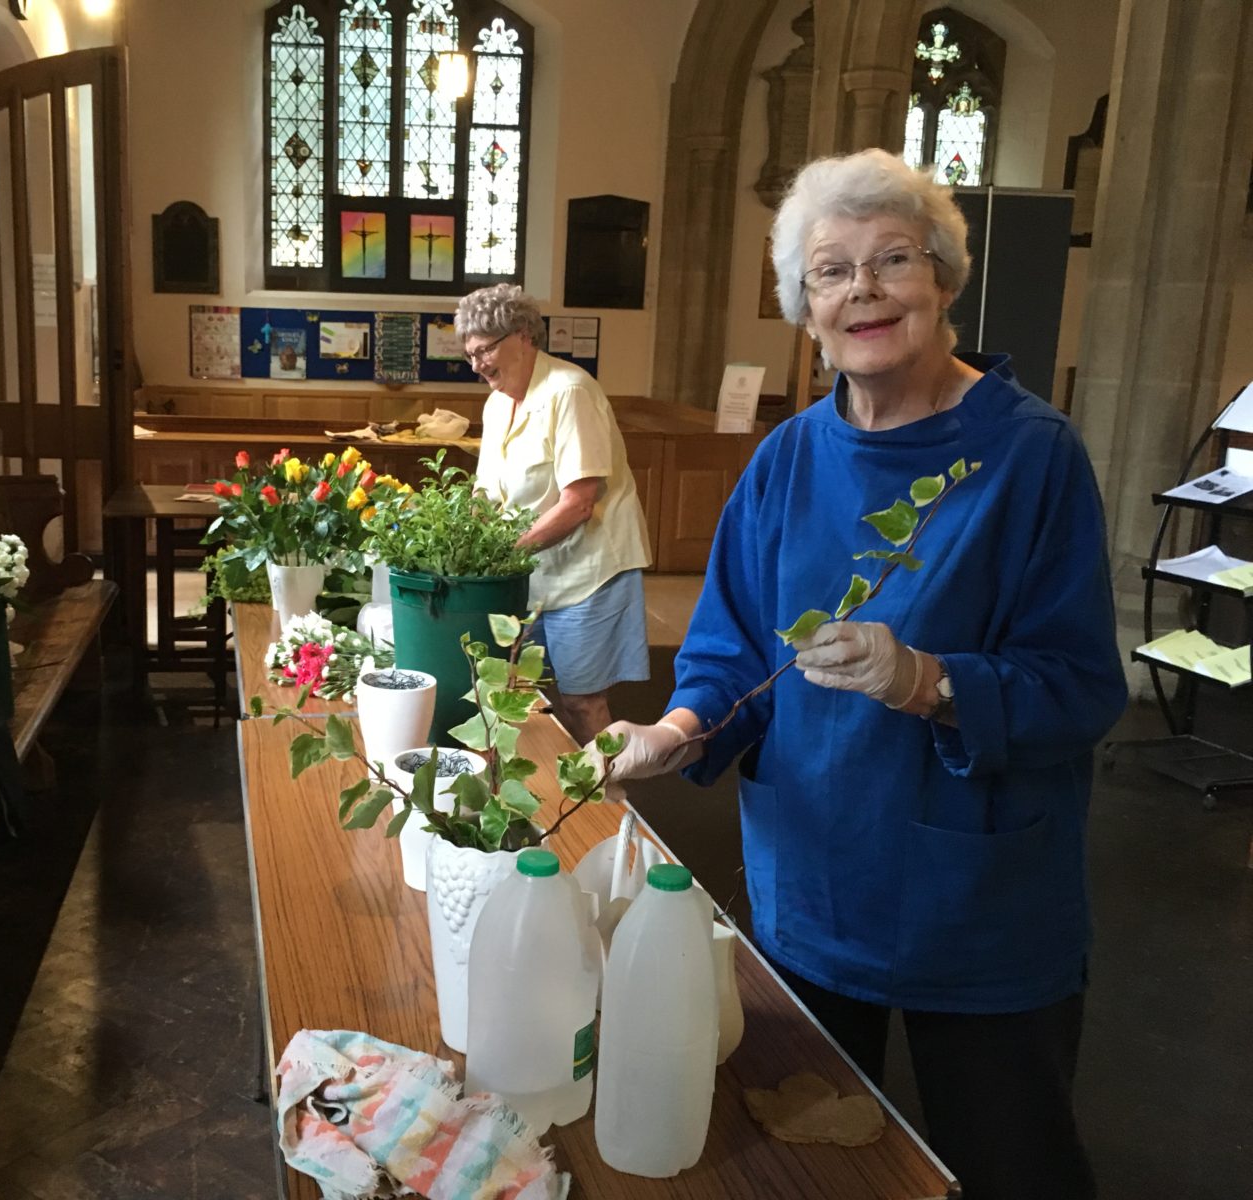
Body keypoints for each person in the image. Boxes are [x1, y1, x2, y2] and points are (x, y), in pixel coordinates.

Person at [595, 149, 1127, 1200]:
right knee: (809, 1153)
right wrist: (676, 729)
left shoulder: (1031, 455)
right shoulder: (787, 460)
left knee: (1010, 1162)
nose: (864, 290)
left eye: (893, 259)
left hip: (976, 902)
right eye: (831, 271)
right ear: (805, 309)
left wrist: (929, 681)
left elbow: (1078, 687)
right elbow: (730, 650)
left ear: (943, 280)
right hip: (813, 882)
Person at [456, 284, 653, 747]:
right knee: (527, 695)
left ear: (524, 336)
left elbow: (579, 502)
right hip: (532, 571)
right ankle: (554, 784)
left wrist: (504, 556)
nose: (477, 365)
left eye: (485, 350)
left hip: (588, 571)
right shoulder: (497, 404)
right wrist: (467, 539)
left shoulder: (570, 391)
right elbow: (485, 491)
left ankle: (608, 785)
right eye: (470, 355)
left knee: (582, 700)